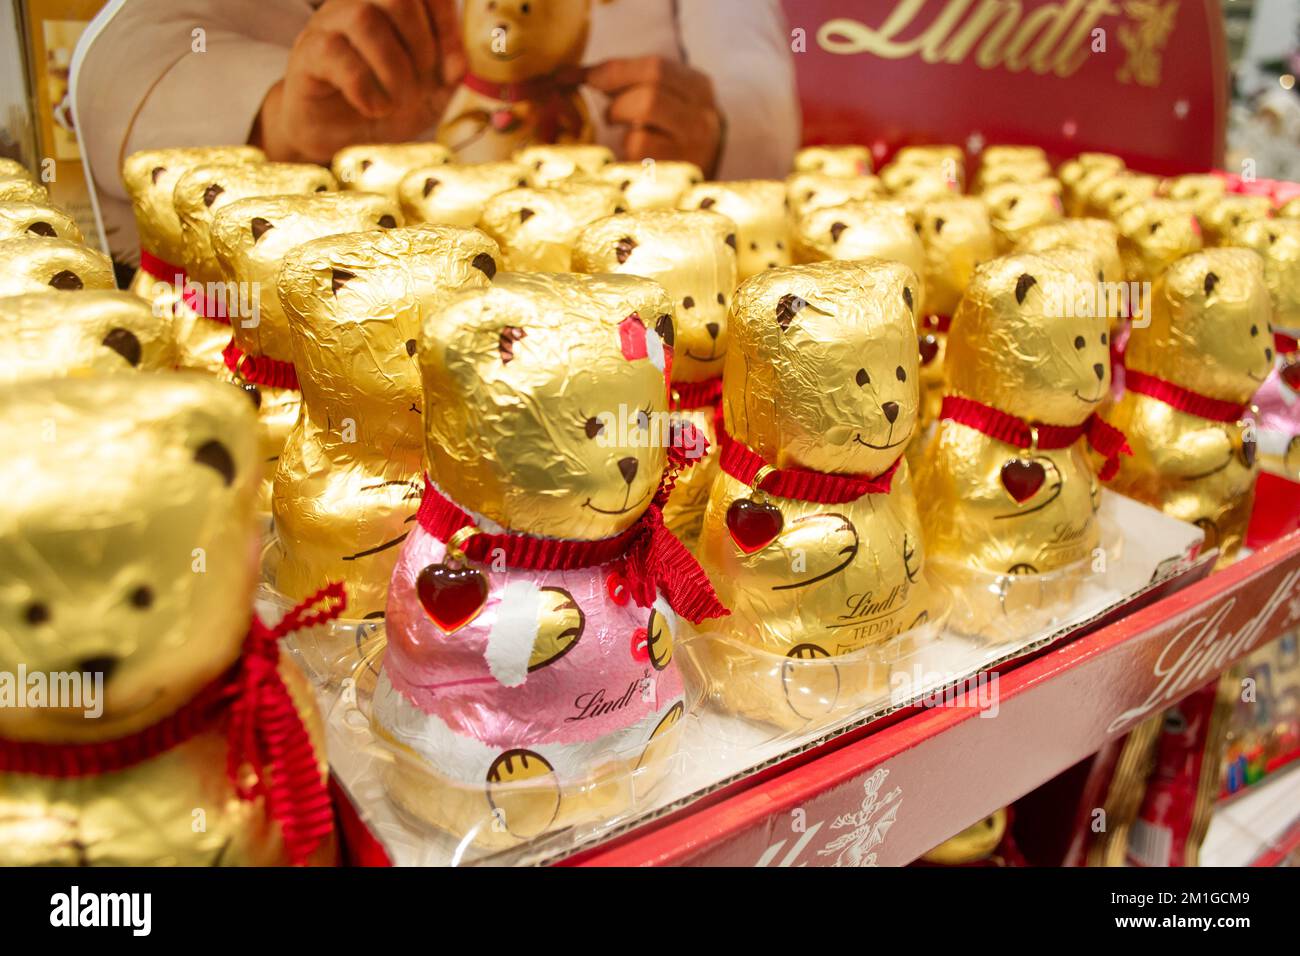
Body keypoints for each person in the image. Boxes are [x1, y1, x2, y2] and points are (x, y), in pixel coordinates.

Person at [72, 0, 800, 261]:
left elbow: (756, 86)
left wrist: (713, 137)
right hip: (347, 319)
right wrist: (279, 119)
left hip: (620, 311)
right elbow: (122, 52)